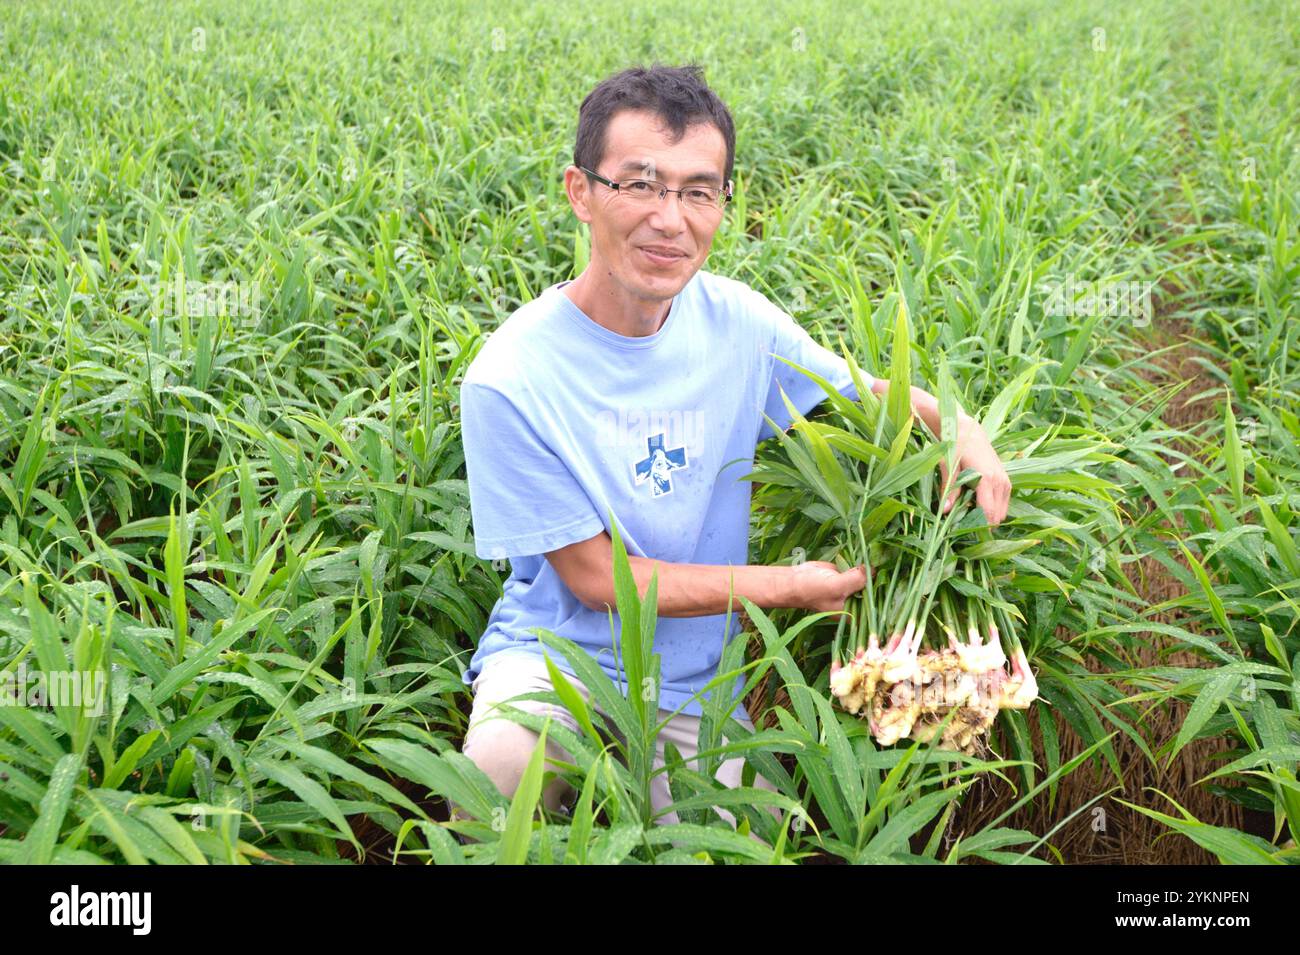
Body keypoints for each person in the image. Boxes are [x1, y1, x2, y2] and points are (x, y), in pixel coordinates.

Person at [454, 63, 1012, 838]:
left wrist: (961, 429)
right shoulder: (509, 378)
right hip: (553, 664)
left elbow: (868, 395)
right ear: (581, 192)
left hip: (692, 683)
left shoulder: (739, 325)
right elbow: (597, 581)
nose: (670, 219)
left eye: (698, 191)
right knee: (498, 775)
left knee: (744, 836)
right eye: (639, 185)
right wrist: (787, 584)